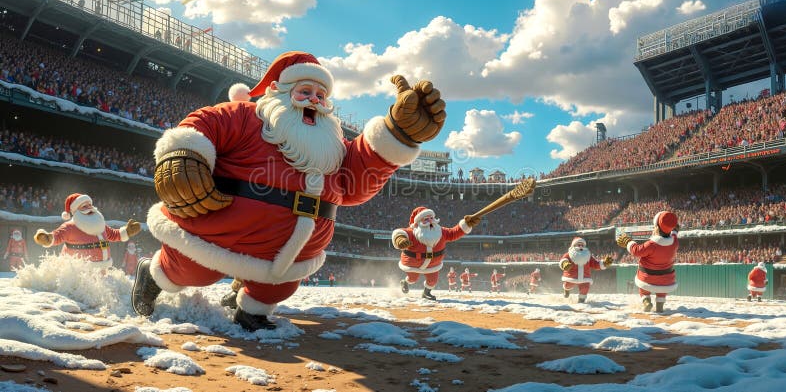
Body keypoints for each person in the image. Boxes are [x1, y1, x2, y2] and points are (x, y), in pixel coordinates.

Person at [131, 51, 447, 331]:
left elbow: (359, 179)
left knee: (274, 287)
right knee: (187, 271)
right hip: (217, 235)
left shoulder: (336, 148)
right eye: (305, 91)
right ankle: (152, 275)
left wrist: (398, 132)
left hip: (285, 257)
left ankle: (250, 312)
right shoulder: (246, 117)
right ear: (279, 92)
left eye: (321, 95)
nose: (314, 99)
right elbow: (204, 124)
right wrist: (183, 155)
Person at [32, 193, 141, 269]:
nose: (90, 208)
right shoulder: (70, 226)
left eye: (90, 205)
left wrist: (127, 231)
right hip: (79, 273)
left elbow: (113, 234)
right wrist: (48, 238)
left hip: (102, 270)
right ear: (76, 210)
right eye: (84, 206)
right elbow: (58, 236)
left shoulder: (100, 223)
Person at [392, 207, 479, 300]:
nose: (430, 221)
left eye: (431, 218)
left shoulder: (441, 232)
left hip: (433, 265)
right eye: (426, 219)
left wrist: (466, 224)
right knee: (412, 278)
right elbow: (400, 233)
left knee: (432, 280)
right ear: (418, 222)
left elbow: (454, 232)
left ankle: (426, 293)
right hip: (413, 263)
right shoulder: (412, 232)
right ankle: (405, 282)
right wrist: (400, 239)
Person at [617, 211, 679, 313]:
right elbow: (674, 234)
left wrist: (628, 242)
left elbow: (637, 250)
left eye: (654, 226)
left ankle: (646, 301)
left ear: (657, 229)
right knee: (661, 292)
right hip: (666, 279)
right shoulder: (675, 243)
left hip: (647, 278)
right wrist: (674, 229)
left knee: (644, 290)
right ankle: (660, 307)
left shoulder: (651, 244)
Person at [560, 237, 612, 303]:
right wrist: (564, 263)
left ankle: (581, 300)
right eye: (579, 245)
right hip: (571, 276)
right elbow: (563, 260)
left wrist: (604, 263)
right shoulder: (569, 254)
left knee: (585, 288)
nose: (581, 246)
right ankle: (566, 290)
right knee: (568, 285)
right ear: (574, 245)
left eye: (582, 245)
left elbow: (595, 264)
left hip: (585, 277)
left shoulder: (588, 255)